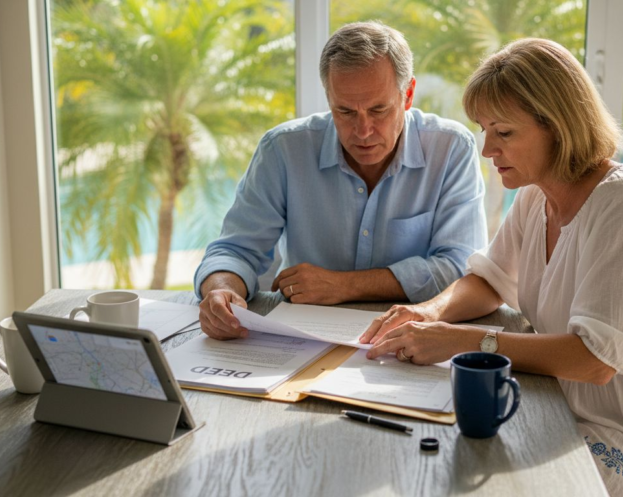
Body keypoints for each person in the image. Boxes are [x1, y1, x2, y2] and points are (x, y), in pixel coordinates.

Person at [360, 38, 623, 496]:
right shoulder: (536, 195)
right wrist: (430, 313)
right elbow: (489, 280)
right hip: (565, 403)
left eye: (504, 132)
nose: (487, 148)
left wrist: (463, 342)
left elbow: (597, 361)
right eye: (483, 129)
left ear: (559, 126)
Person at [195, 21, 487, 340]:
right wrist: (221, 291)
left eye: (378, 110)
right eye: (345, 112)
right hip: (303, 339)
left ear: (408, 95)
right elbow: (236, 250)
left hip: (412, 339)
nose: (362, 131)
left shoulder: (451, 148)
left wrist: (344, 285)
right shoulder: (283, 149)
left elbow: (460, 269)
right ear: (329, 97)